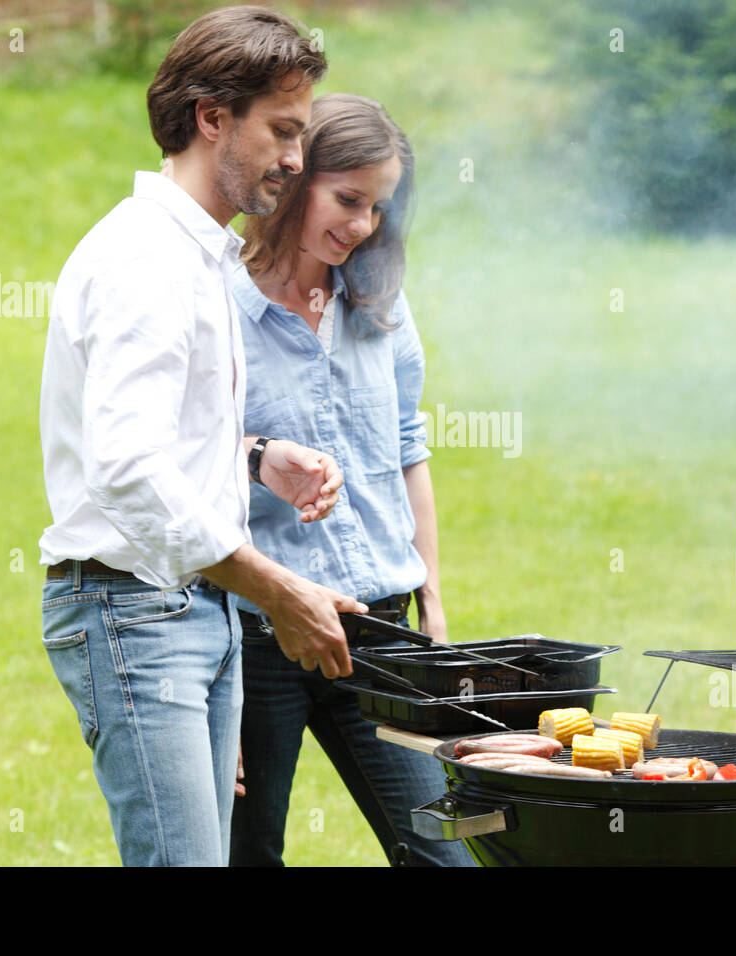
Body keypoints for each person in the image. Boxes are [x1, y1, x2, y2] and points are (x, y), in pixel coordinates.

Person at [38, 7, 367, 867]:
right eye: (283, 131)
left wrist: (254, 460)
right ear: (211, 117)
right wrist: (280, 590)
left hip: (191, 608)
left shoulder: (199, 256)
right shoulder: (146, 260)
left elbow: (164, 441)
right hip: (133, 612)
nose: (298, 160)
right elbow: (129, 471)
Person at [226, 93, 475, 866]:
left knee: (443, 851)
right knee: (247, 854)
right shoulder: (215, 304)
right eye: (348, 199)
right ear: (296, 177)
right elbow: (176, 453)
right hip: (258, 634)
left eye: (378, 208)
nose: (363, 225)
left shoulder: (381, 310)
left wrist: (430, 597)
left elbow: (408, 452)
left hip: (380, 633)